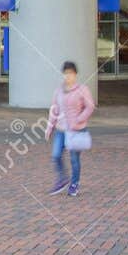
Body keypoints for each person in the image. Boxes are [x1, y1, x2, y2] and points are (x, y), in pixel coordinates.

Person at [47, 60, 95, 198]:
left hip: (76, 130)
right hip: (61, 129)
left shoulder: (82, 89)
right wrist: (49, 127)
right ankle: (63, 179)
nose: (68, 76)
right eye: (66, 73)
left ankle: (74, 183)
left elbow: (90, 106)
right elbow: (54, 110)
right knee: (56, 155)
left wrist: (79, 120)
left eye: (71, 73)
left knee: (74, 159)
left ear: (75, 74)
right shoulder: (58, 91)